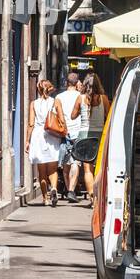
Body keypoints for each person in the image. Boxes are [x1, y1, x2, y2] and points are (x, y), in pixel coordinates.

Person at [71, 73, 110, 205]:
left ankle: (92, 198)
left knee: (87, 170)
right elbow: (108, 116)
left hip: (84, 136)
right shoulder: (103, 98)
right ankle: (98, 197)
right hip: (99, 136)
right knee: (99, 167)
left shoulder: (80, 98)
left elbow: (72, 116)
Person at [27, 79, 64, 206]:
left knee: (41, 169)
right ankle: (54, 188)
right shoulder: (56, 102)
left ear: (38, 89)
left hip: (38, 135)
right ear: (50, 88)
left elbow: (31, 123)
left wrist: (27, 140)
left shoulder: (34, 104)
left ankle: (45, 198)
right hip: (52, 135)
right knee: (53, 168)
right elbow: (62, 120)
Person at [56, 72, 84, 200]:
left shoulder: (59, 97)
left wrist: (63, 128)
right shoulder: (81, 96)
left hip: (64, 132)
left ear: (66, 82)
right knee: (76, 162)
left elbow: (58, 115)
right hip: (78, 132)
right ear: (77, 82)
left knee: (66, 162)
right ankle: (71, 190)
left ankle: (68, 190)